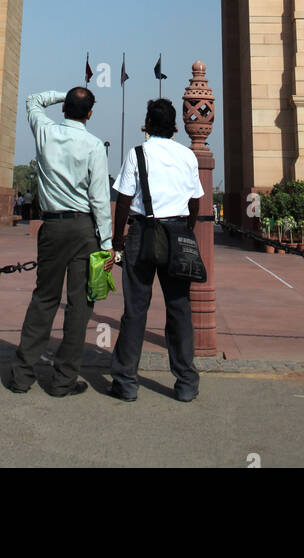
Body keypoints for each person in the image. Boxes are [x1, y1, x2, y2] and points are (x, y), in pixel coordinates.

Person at [8, 87, 113, 397]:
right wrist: (106, 244)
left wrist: (60, 93)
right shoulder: (94, 145)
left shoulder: (45, 131)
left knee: (44, 299)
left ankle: (21, 376)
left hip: (52, 228)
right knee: (80, 305)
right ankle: (63, 381)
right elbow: (99, 199)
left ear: (64, 107)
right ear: (90, 114)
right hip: (84, 230)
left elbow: (32, 100)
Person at [109, 97, 203, 403]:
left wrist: (117, 240)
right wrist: (185, 228)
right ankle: (186, 382)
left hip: (143, 233)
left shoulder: (138, 153)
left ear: (147, 125)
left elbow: (123, 199)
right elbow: (195, 201)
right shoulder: (187, 155)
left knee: (135, 309)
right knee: (179, 309)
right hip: (177, 233)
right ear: (176, 127)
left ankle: (125, 382)